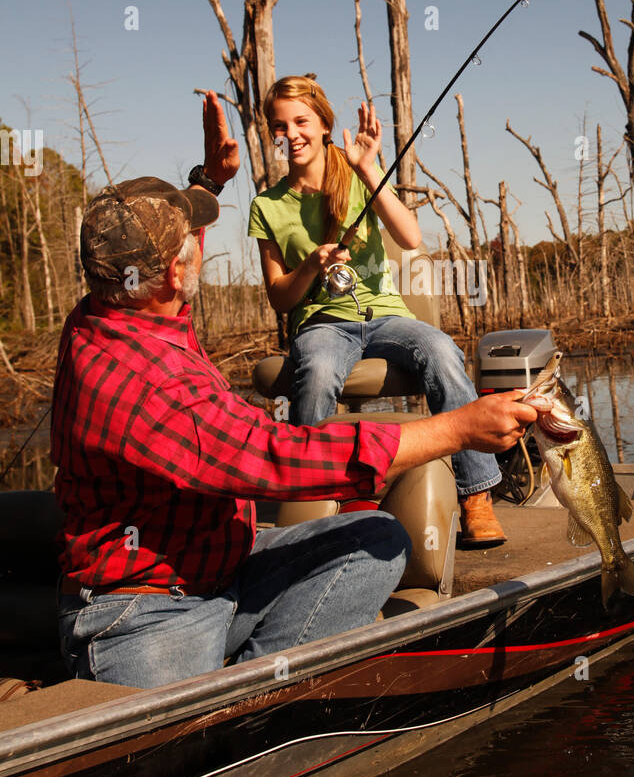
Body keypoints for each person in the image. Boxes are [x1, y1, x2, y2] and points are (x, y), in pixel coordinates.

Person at [53, 95, 541, 689]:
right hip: (147, 611)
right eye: (187, 244)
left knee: (380, 538)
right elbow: (273, 458)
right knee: (181, 757)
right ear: (175, 273)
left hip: (224, 568)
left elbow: (168, 259)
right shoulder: (140, 383)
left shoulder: (111, 308)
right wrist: (456, 428)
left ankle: (260, 677)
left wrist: (207, 182)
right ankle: (252, 705)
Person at [248, 73, 506, 547]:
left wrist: (368, 168)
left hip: (386, 315)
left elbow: (411, 238)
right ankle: (311, 502)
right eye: (281, 126)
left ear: (324, 124)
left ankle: (476, 496)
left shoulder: (358, 176)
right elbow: (281, 297)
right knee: (319, 372)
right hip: (322, 323)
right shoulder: (267, 205)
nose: (293, 134)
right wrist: (309, 263)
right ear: (273, 134)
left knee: (442, 350)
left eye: (302, 120)